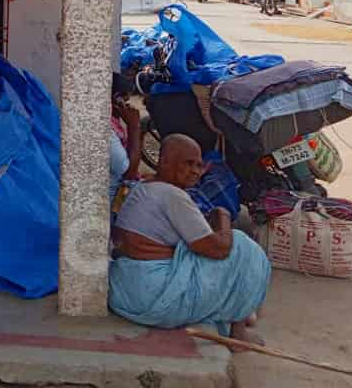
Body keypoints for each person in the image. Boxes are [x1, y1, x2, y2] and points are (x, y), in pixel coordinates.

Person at [109, 134, 271, 347]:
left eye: (199, 165)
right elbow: (219, 249)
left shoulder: (144, 187)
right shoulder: (172, 195)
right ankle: (237, 333)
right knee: (243, 247)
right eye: (188, 163)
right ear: (164, 161)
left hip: (123, 295)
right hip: (151, 299)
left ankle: (237, 309)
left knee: (205, 254)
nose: (195, 171)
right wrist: (222, 215)